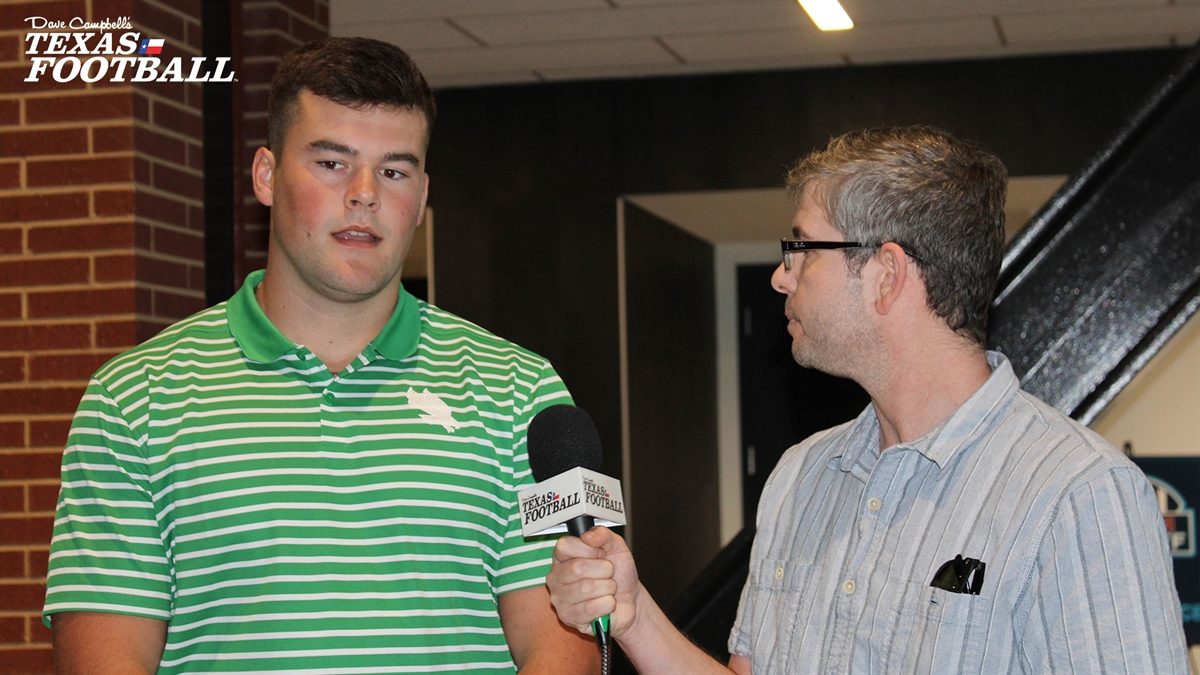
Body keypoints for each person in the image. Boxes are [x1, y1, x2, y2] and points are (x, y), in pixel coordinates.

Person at [43, 38, 597, 675]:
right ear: (267, 176)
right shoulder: (133, 398)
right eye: (333, 163)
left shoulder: (521, 391)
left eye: (394, 171)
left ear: (419, 198)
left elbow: (565, 639)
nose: (364, 194)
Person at [547, 126, 1188, 674]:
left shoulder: (1077, 493)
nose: (781, 275)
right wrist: (632, 616)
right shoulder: (802, 474)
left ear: (886, 274)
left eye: (801, 247)